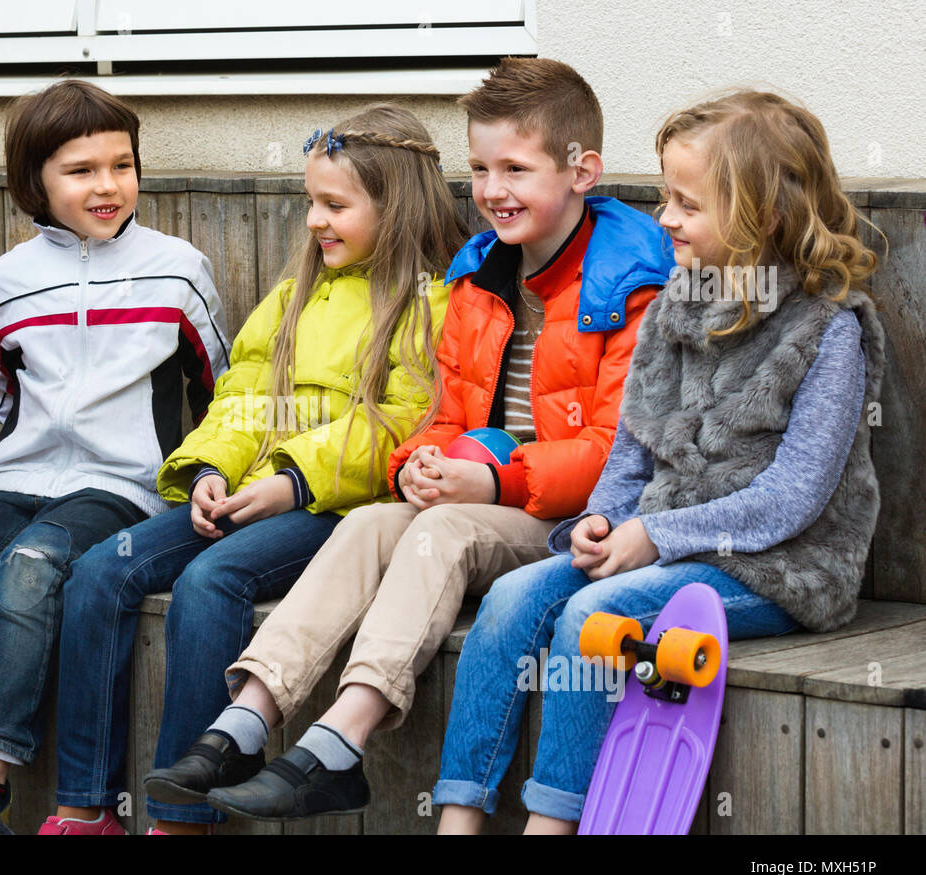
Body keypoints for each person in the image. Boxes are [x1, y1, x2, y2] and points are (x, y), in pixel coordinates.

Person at [152, 58, 672, 822]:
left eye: (516, 169)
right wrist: (419, 463)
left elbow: (616, 447)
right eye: (481, 168)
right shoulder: (479, 277)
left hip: (570, 518)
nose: (493, 190)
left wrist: (490, 484)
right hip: (478, 491)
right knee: (368, 521)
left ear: (582, 170)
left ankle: (339, 741)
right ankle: (245, 718)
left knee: (442, 528)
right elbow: (442, 416)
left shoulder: (629, 284)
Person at [436, 89, 885, 835]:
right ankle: (458, 820)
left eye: (686, 204)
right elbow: (633, 444)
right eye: (665, 198)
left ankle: (551, 826)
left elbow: (792, 497)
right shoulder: (678, 301)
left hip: (779, 568)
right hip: (660, 544)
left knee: (591, 615)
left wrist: (655, 537)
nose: (663, 219)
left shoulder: (827, 329)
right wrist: (604, 519)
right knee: (515, 598)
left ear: (762, 215)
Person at [44, 103, 466, 834]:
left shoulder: (431, 301)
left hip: (332, 507)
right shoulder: (298, 288)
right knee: (98, 572)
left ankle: (179, 816)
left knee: (214, 579)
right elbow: (241, 391)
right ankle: (83, 807)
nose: (313, 221)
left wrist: (291, 481)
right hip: (252, 488)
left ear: (393, 208)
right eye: (311, 202)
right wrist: (211, 466)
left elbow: (398, 421)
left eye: (334, 206)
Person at [0, 79, 229, 835]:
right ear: (35, 181)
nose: (108, 185)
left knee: (32, 565)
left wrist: (198, 475)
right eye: (81, 170)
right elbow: (9, 396)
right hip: (18, 478)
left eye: (121, 165)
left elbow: (219, 390)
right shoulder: (7, 280)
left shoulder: (177, 269)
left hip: (122, 486)